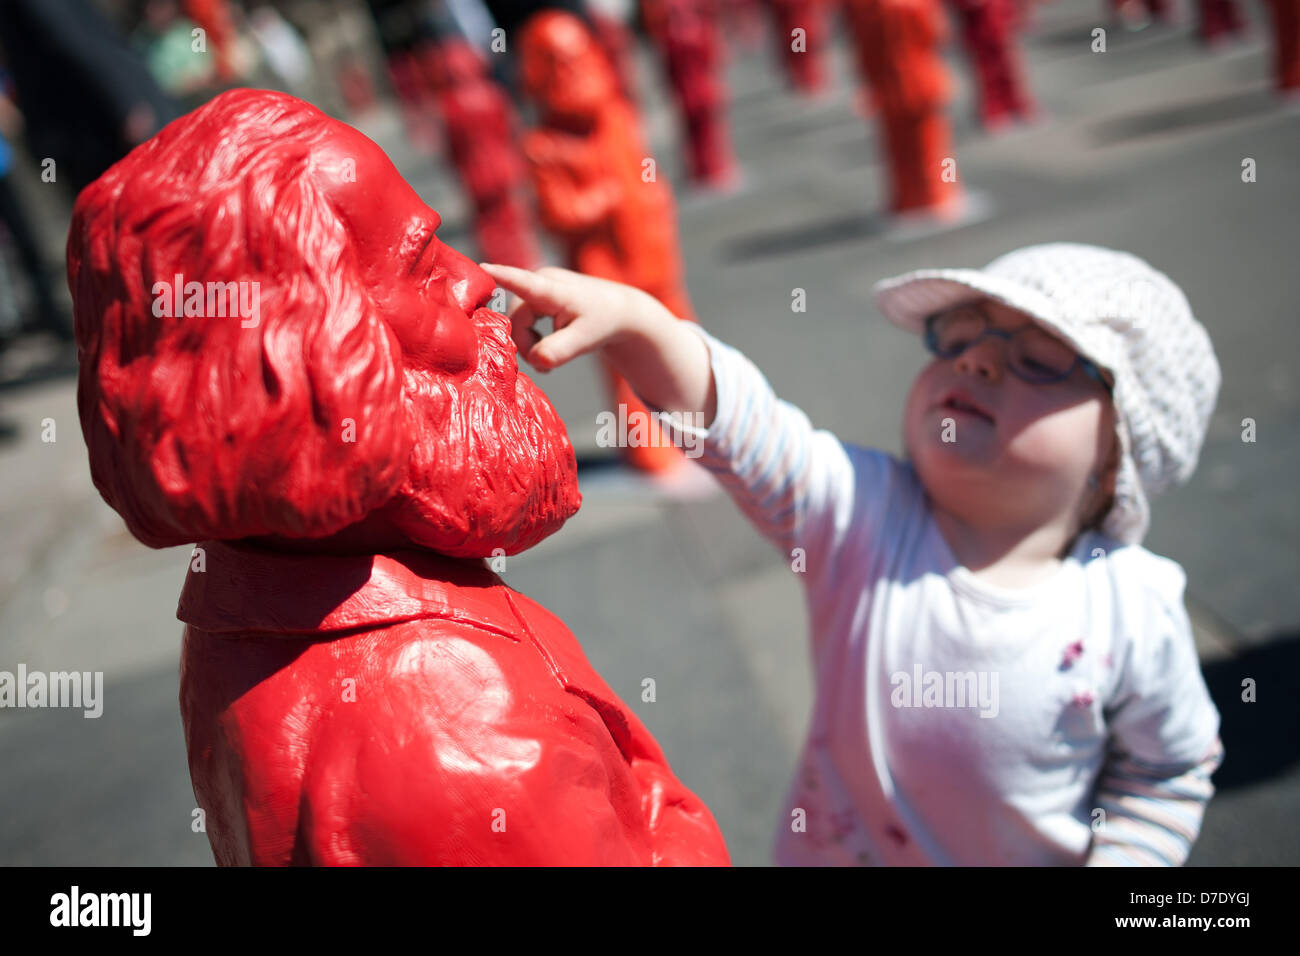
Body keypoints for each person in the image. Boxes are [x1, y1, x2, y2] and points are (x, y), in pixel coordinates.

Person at [67, 89, 730, 867]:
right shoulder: (465, 731)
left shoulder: (237, 609)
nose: (475, 279)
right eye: (422, 266)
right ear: (315, 365)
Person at [481, 241, 1226, 865]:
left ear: (1113, 460)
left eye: (1037, 358)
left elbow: (1165, 772)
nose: (978, 362)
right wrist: (645, 329)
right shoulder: (864, 516)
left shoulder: (1133, 605)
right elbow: (749, 430)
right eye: (959, 339)